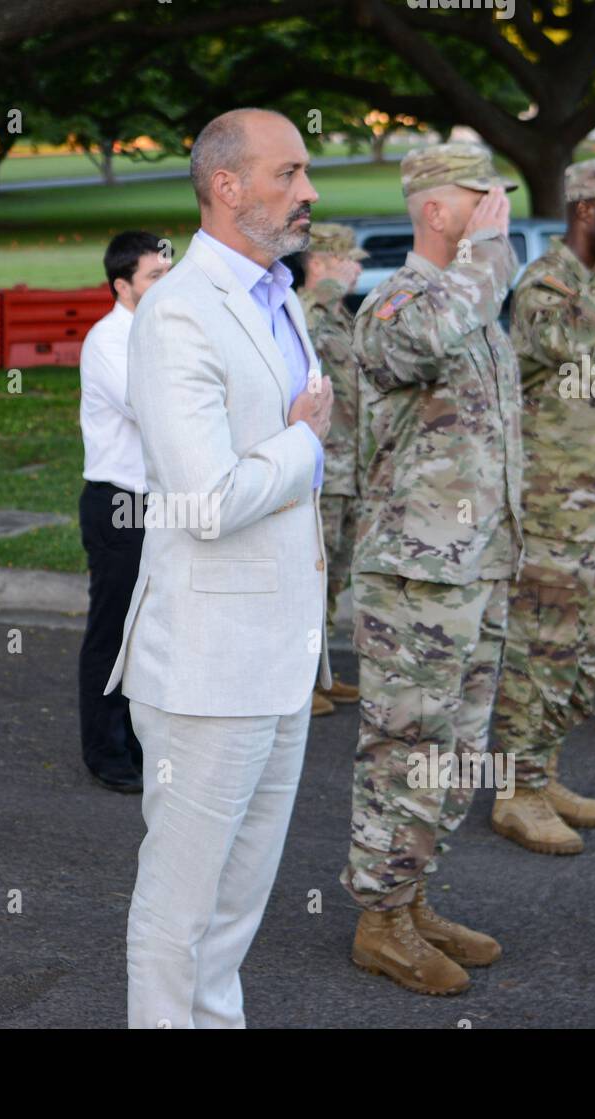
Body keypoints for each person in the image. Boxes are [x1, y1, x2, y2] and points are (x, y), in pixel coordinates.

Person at [105, 108, 333, 1028]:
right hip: (207, 664)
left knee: (235, 912)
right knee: (182, 908)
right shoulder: (178, 311)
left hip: (279, 656)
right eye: (290, 173)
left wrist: (293, 448)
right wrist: (304, 446)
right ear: (227, 187)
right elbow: (202, 502)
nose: (308, 190)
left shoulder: (279, 294)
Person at [346, 144, 522, 996]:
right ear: (433, 209)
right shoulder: (397, 303)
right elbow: (428, 337)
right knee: (407, 748)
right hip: (415, 574)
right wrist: (490, 257)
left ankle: (411, 897)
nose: (499, 212)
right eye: (482, 198)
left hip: (475, 567)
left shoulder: (477, 307)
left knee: (456, 750)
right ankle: (379, 919)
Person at [492, 158, 595, 854]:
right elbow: (568, 339)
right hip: (552, 515)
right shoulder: (547, 285)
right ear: (588, 212)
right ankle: (516, 793)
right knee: (541, 653)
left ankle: (544, 773)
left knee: (581, 653)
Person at [77, 230, 169, 793]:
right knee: (112, 630)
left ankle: (138, 739)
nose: (166, 285)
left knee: (151, 631)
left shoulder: (163, 335)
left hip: (159, 503)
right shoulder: (108, 339)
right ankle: (104, 751)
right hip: (118, 501)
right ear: (122, 285)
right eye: (155, 276)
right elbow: (150, 407)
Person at [296, 222, 369, 716]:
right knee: (310, 577)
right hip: (323, 469)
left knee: (334, 577)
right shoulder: (302, 309)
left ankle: (320, 670)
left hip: (350, 469)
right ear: (320, 263)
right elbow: (299, 343)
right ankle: (301, 684)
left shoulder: (340, 316)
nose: (359, 269)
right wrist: (324, 290)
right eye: (350, 261)